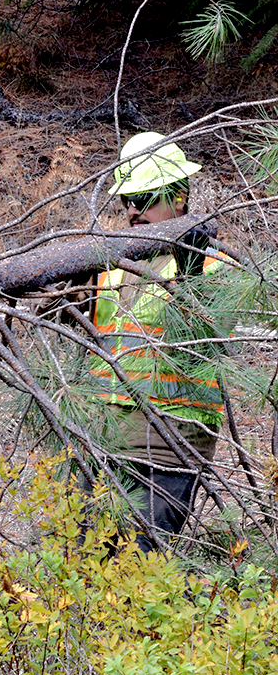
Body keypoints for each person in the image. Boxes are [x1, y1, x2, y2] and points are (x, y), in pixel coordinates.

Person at [87, 131, 230, 552]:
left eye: (145, 199)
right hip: (103, 440)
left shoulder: (212, 264)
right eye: (127, 201)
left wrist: (189, 276)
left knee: (138, 567)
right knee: (80, 563)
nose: (133, 211)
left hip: (168, 447)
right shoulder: (111, 265)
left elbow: (207, 338)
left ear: (179, 197)